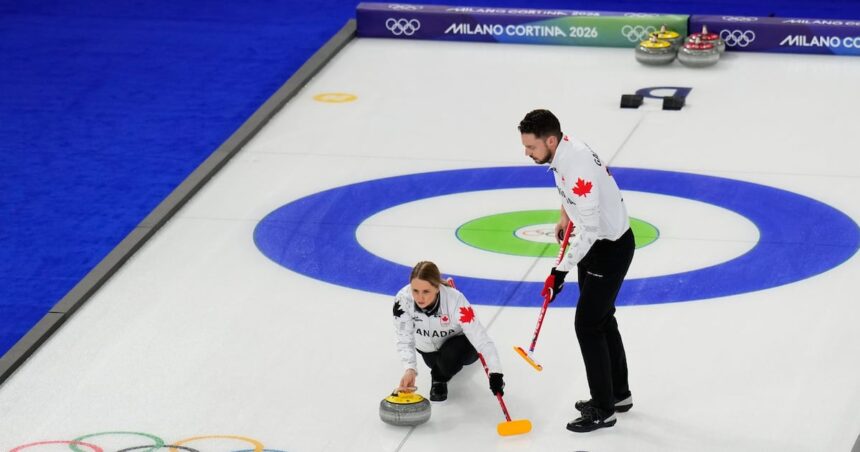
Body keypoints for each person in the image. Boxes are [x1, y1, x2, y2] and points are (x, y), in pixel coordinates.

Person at [518, 109, 635, 433]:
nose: (527, 153)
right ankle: (618, 394)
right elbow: (572, 195)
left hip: (607, 249)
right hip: (597, 247)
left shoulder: (577, 161)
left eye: (531, 147)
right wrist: (564, 216)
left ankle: (602, 409)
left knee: (588, 325)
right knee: (601, 318)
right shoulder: (563, 154)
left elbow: (592, 230)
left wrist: (560, 271)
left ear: (550, 140)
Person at [392, 261, 505, 402]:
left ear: (437, 288)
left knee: (449, 359)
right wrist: (410, 369)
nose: (419, 298)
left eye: (426, 291)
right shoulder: (403, 301)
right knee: (440, 363)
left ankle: (438, 378)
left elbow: (481, 338)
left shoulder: (456, 300)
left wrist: (496, 373)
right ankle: (440, 369)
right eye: (415, 290)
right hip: (429, 350)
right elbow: (404, 338)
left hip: (461, 345)